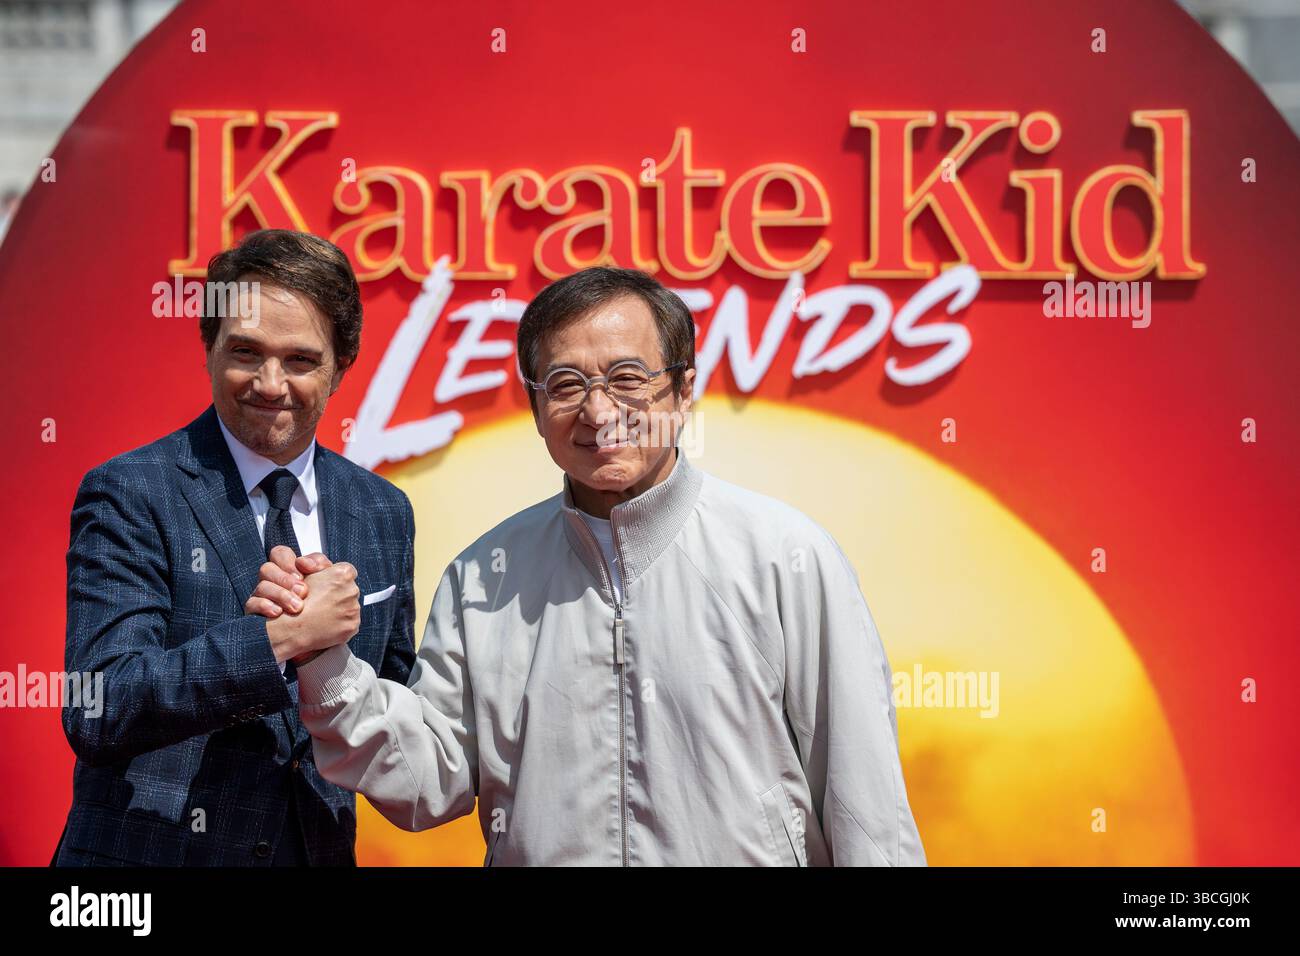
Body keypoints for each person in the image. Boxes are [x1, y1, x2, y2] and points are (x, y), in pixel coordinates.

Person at [253, 265, 926, 866]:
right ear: (537, 405)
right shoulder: (484, 577)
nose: (600, 411)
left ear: (683, 390)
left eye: (628, 378)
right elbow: (431, 781)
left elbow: (863, 796)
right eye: (568, 384)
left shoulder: (786, 558)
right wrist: (325, 663)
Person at [53, 229, 416, 866]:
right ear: (209, 350)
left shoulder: (382, 510)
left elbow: (395, 703)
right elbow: (99, 705)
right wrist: (278, 641)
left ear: (340, 368)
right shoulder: (130, 491)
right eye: (246, 351)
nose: (270, 384)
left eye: (301, 360)